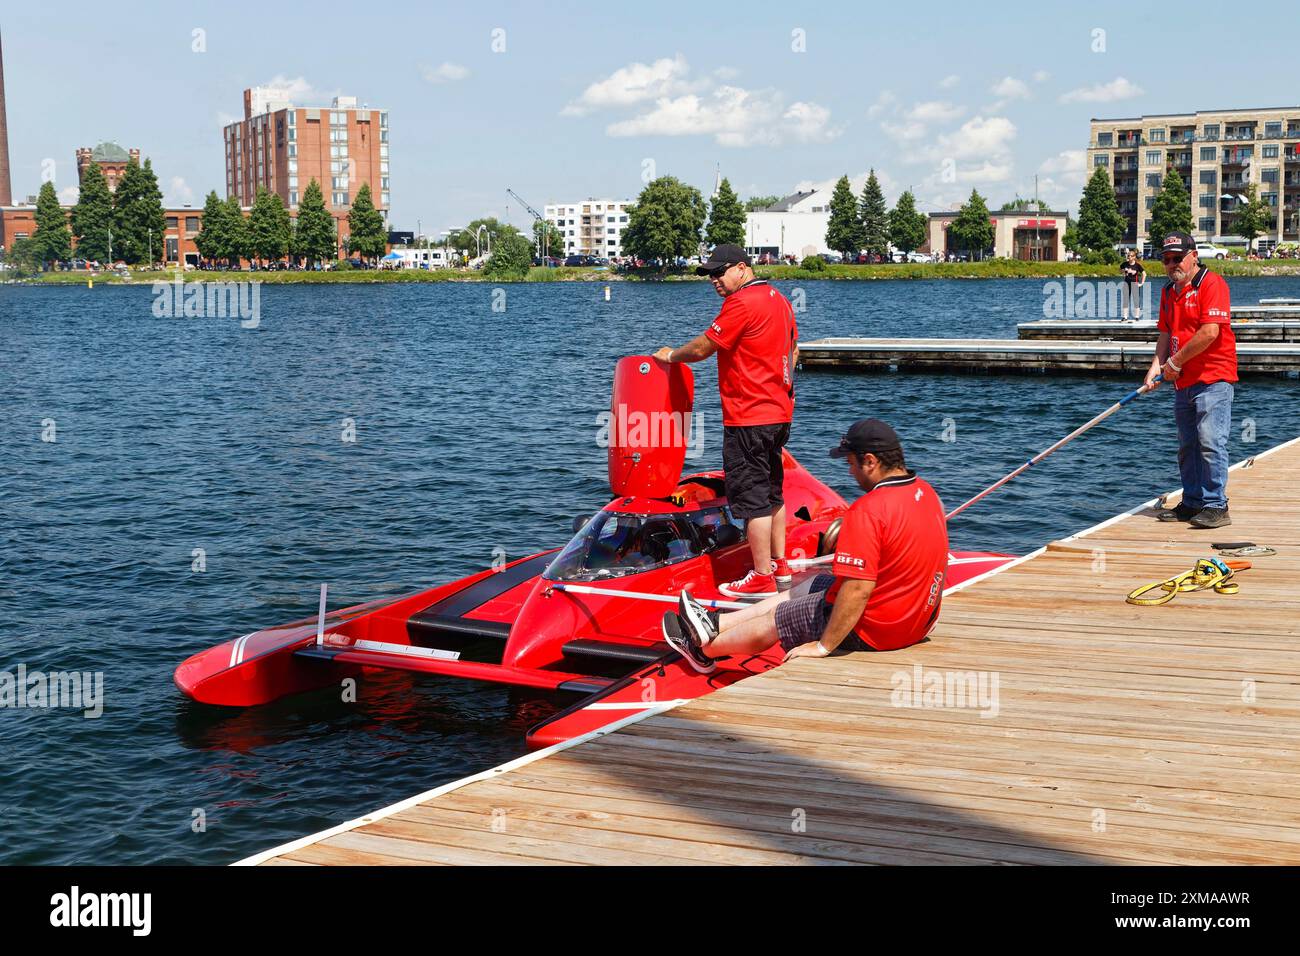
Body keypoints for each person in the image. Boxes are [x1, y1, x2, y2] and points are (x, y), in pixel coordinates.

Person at [662, 419, 949, 673]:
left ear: (870, 461)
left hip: (875, 630)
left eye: (851, 463)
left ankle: (703, 650)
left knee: (781, 617)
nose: (850, 472)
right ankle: (716, 624)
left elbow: (858, 590)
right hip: (912, 624)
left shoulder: (868, 511)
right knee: (814, 583)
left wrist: (824, 646)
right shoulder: (925, 491)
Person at [653, 243, 798, 600]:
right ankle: (780, 566)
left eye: (720, 272)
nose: (714, 280)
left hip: (748, 416)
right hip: (779, 412)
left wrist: (671, 355)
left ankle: (761, 574)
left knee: (751, 498)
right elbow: (794, 350)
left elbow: (704, 347)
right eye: (710, 275)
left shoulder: (741, 302)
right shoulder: (778, 299)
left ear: (742, 268)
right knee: (772, 492)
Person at [1144, 232, 1238, 529]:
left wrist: (1174, 362)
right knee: (1187, 446)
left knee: (1210, 442)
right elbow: (1164, 334)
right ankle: (1193, 501)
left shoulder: (1213, 284)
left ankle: (1216, 505)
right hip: (1183, 382)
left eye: (1177, 258)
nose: (1172, 264)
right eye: (1166, 259)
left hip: (1214, 378)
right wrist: (1155, 367)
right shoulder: (1168, 292)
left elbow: (1210, 332)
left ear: (1193, 255)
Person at [1121, 248, 1145, 319]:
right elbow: (1120, 270)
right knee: (1125, 301)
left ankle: (1137, 317)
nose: (1129, 257)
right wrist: (1124, 271)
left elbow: (1144, 274)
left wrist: (1141, 283)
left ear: (1134, 257)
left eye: (1131, 256)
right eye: (1128, 256)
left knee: (1136, 301)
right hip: (1126, 283)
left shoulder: (1137, 265)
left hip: (1135, 284)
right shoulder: (1125, 264)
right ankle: (1125, 317)